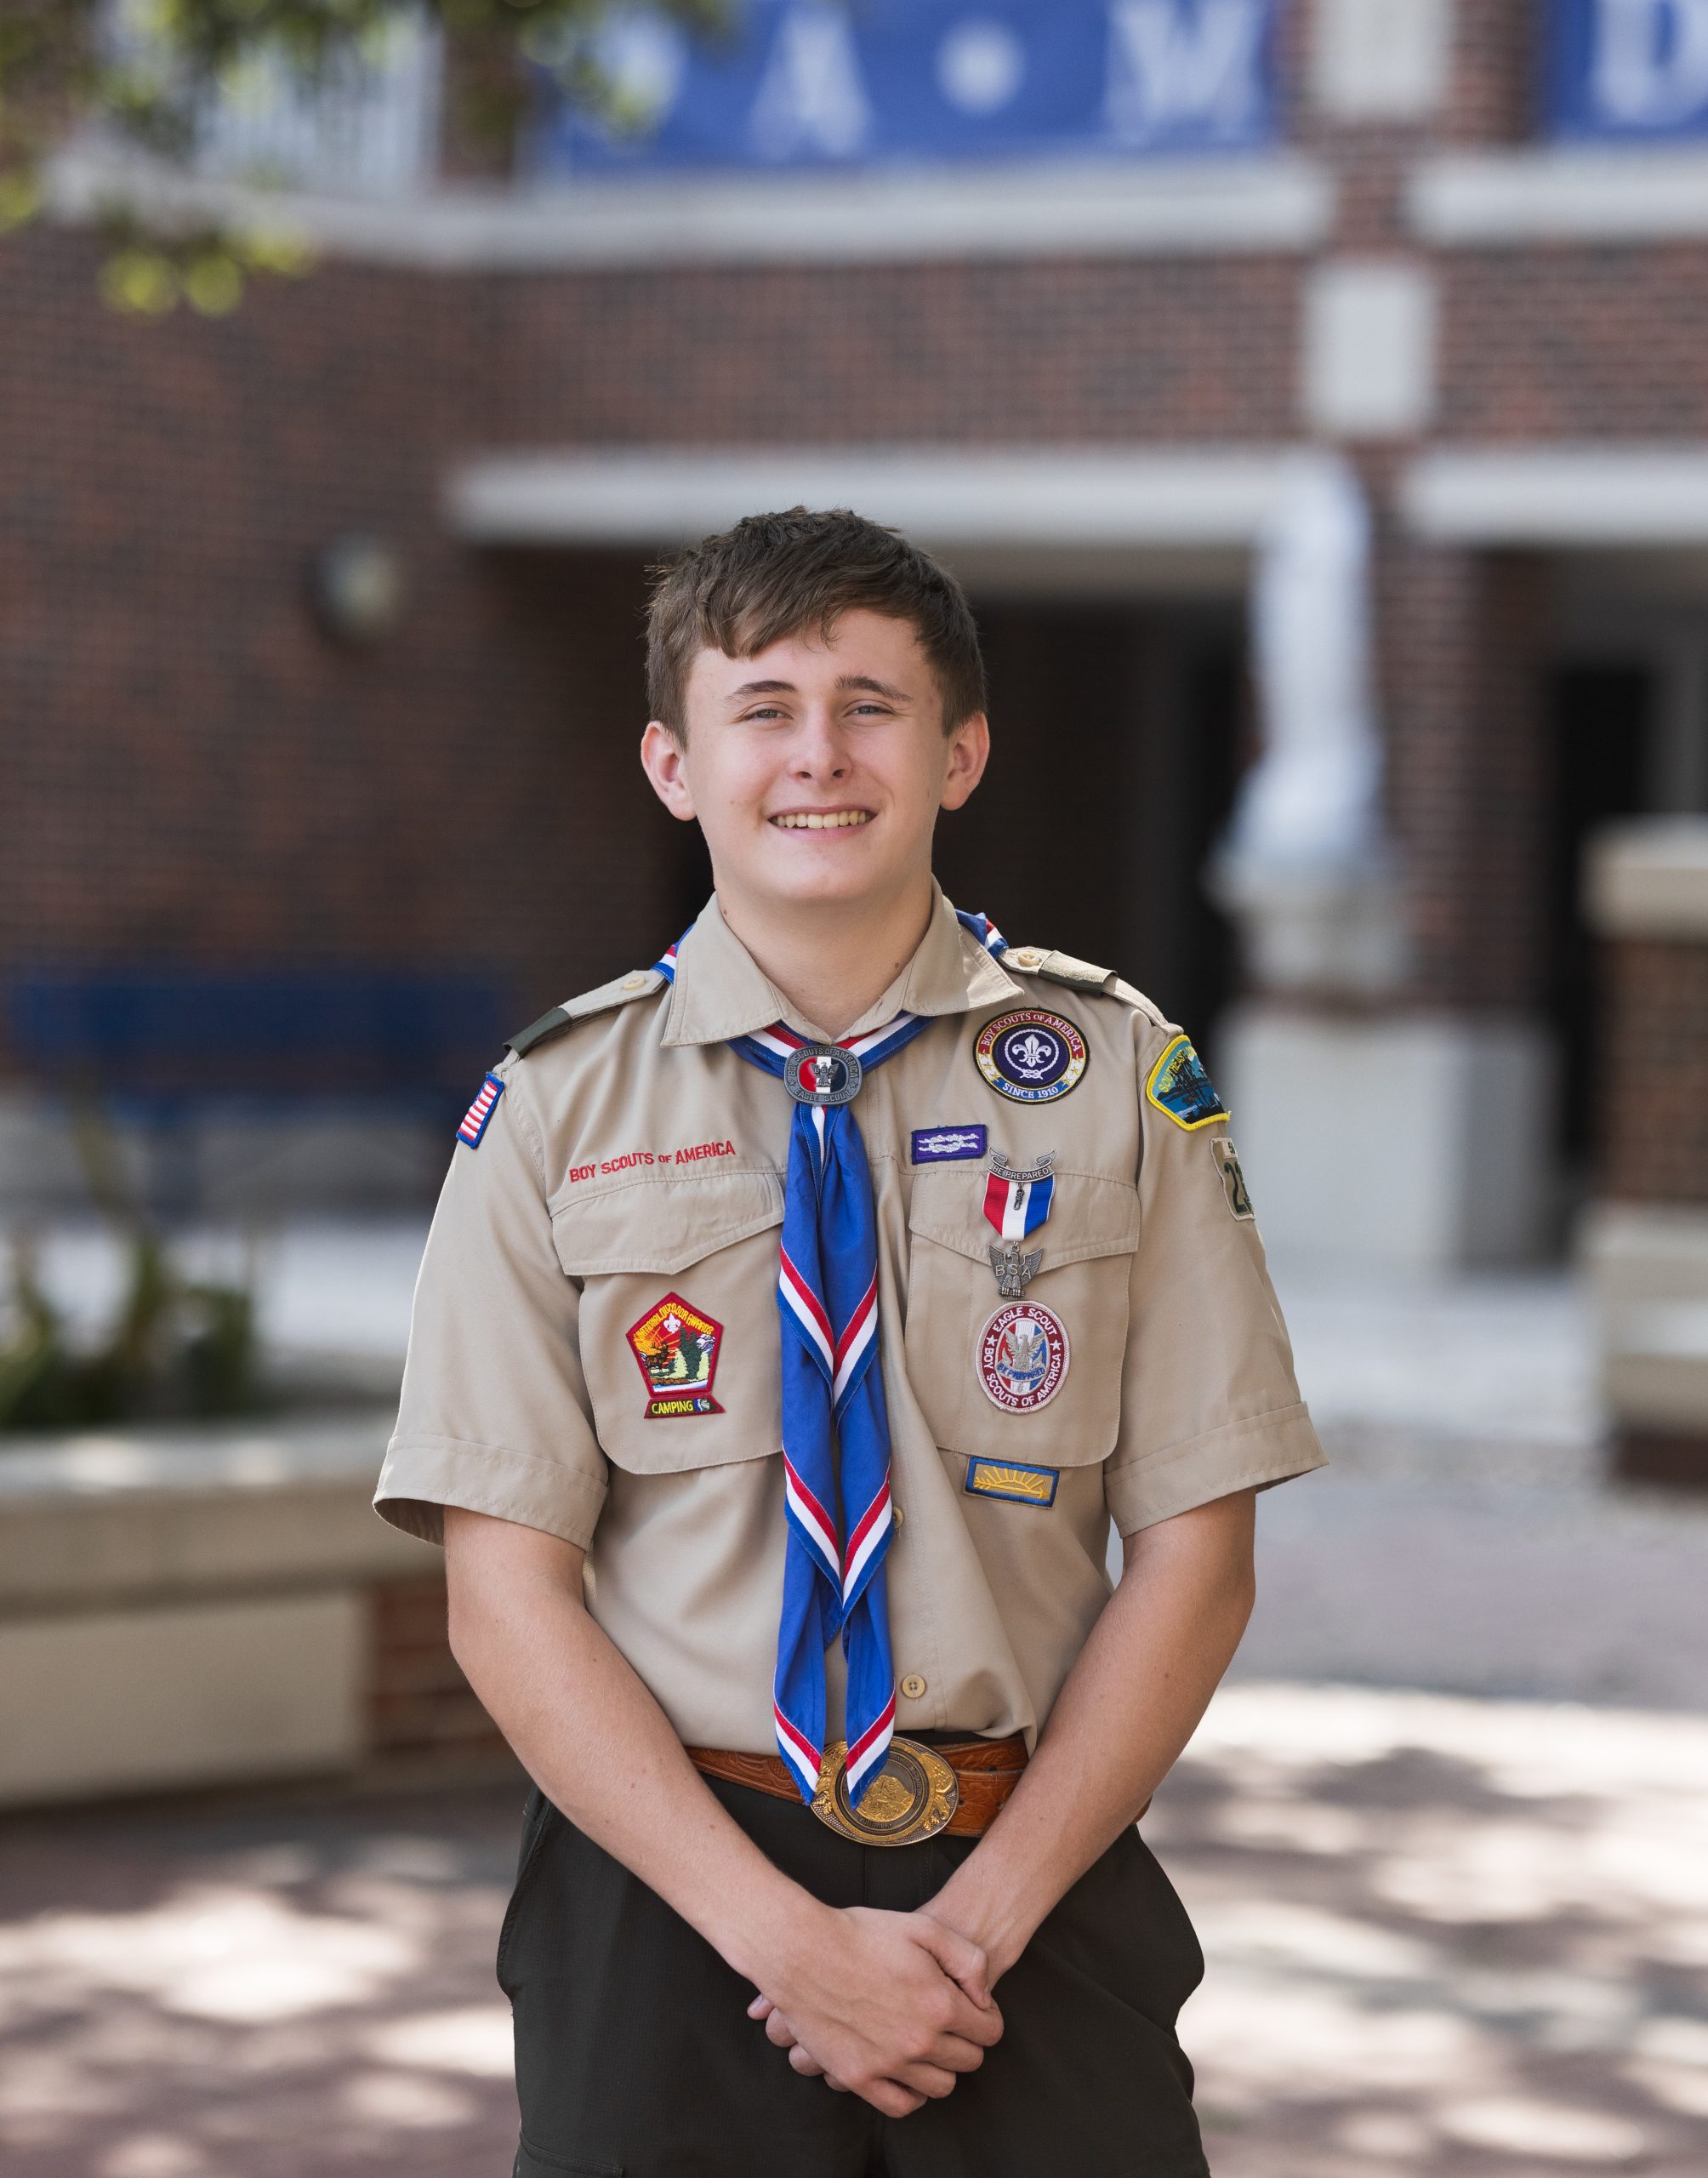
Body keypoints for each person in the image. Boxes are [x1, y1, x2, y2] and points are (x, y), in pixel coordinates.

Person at [373, 506, 1325, 2178]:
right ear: (673, 765)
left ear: (960, 752)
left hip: (1027, 1886)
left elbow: (1198, 1550)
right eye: (764, 709)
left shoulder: (1116, 1075)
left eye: (869, 705)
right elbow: (502, 1591)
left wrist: (975, 1926)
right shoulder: (550, 1110)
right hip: (669, 1901)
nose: (818, 754)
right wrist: (786, 1942)